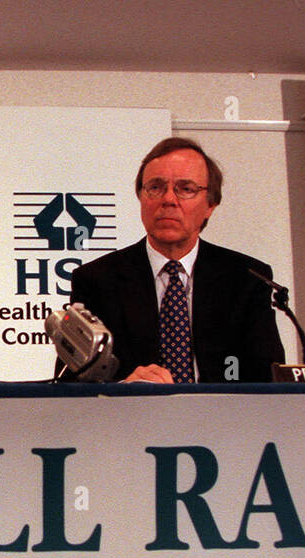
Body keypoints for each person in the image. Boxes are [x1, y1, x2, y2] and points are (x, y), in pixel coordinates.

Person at [68, 137, 284, 383]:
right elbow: (71, 384)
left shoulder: (247, 279)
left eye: (186, 189)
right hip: (132, 418)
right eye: (156, 187)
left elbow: (268, 378)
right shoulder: (97, 280)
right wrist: (122, 390)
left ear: (210, 205)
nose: (168, 199)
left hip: (223, 419)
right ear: (140, 197)